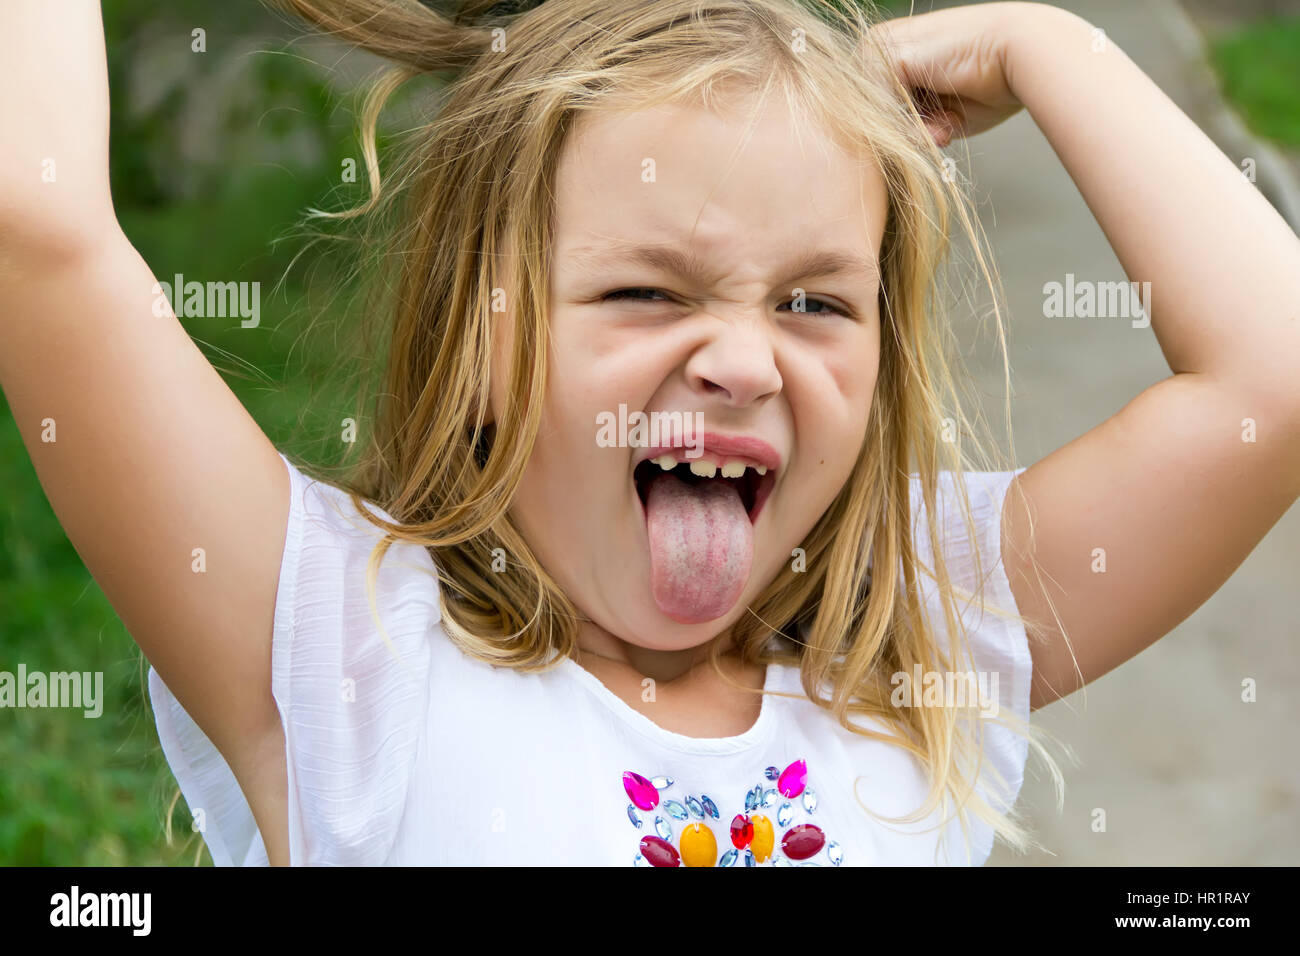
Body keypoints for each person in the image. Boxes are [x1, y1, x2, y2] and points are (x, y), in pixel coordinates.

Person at [2, 0, 1296, 866]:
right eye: (645, 292)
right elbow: (38, 228)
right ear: (484, 335)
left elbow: (1271, 386)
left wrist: (1049, 42)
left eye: (815, 301)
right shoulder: (345, 650)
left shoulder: (907, 636)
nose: (742, 359)